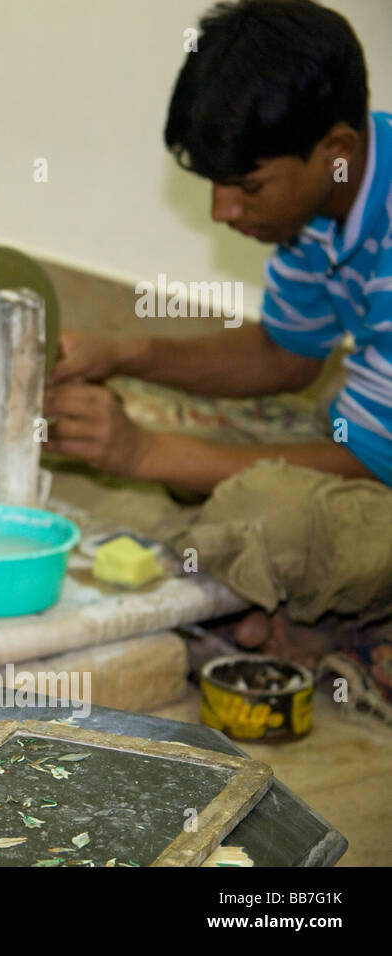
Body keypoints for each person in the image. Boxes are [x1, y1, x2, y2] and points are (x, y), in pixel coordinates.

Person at [43, 0, 391, 659]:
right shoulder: (328, 199)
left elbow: (375, 465)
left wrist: (146, 453)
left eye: (248, 187)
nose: (223, 210)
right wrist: (122, 354)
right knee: (82, 472)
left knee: (266, 512)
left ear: (335, 150)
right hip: (371, 445)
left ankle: (299, 613)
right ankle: (274, 608)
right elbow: (284, 356)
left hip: (380, 465)